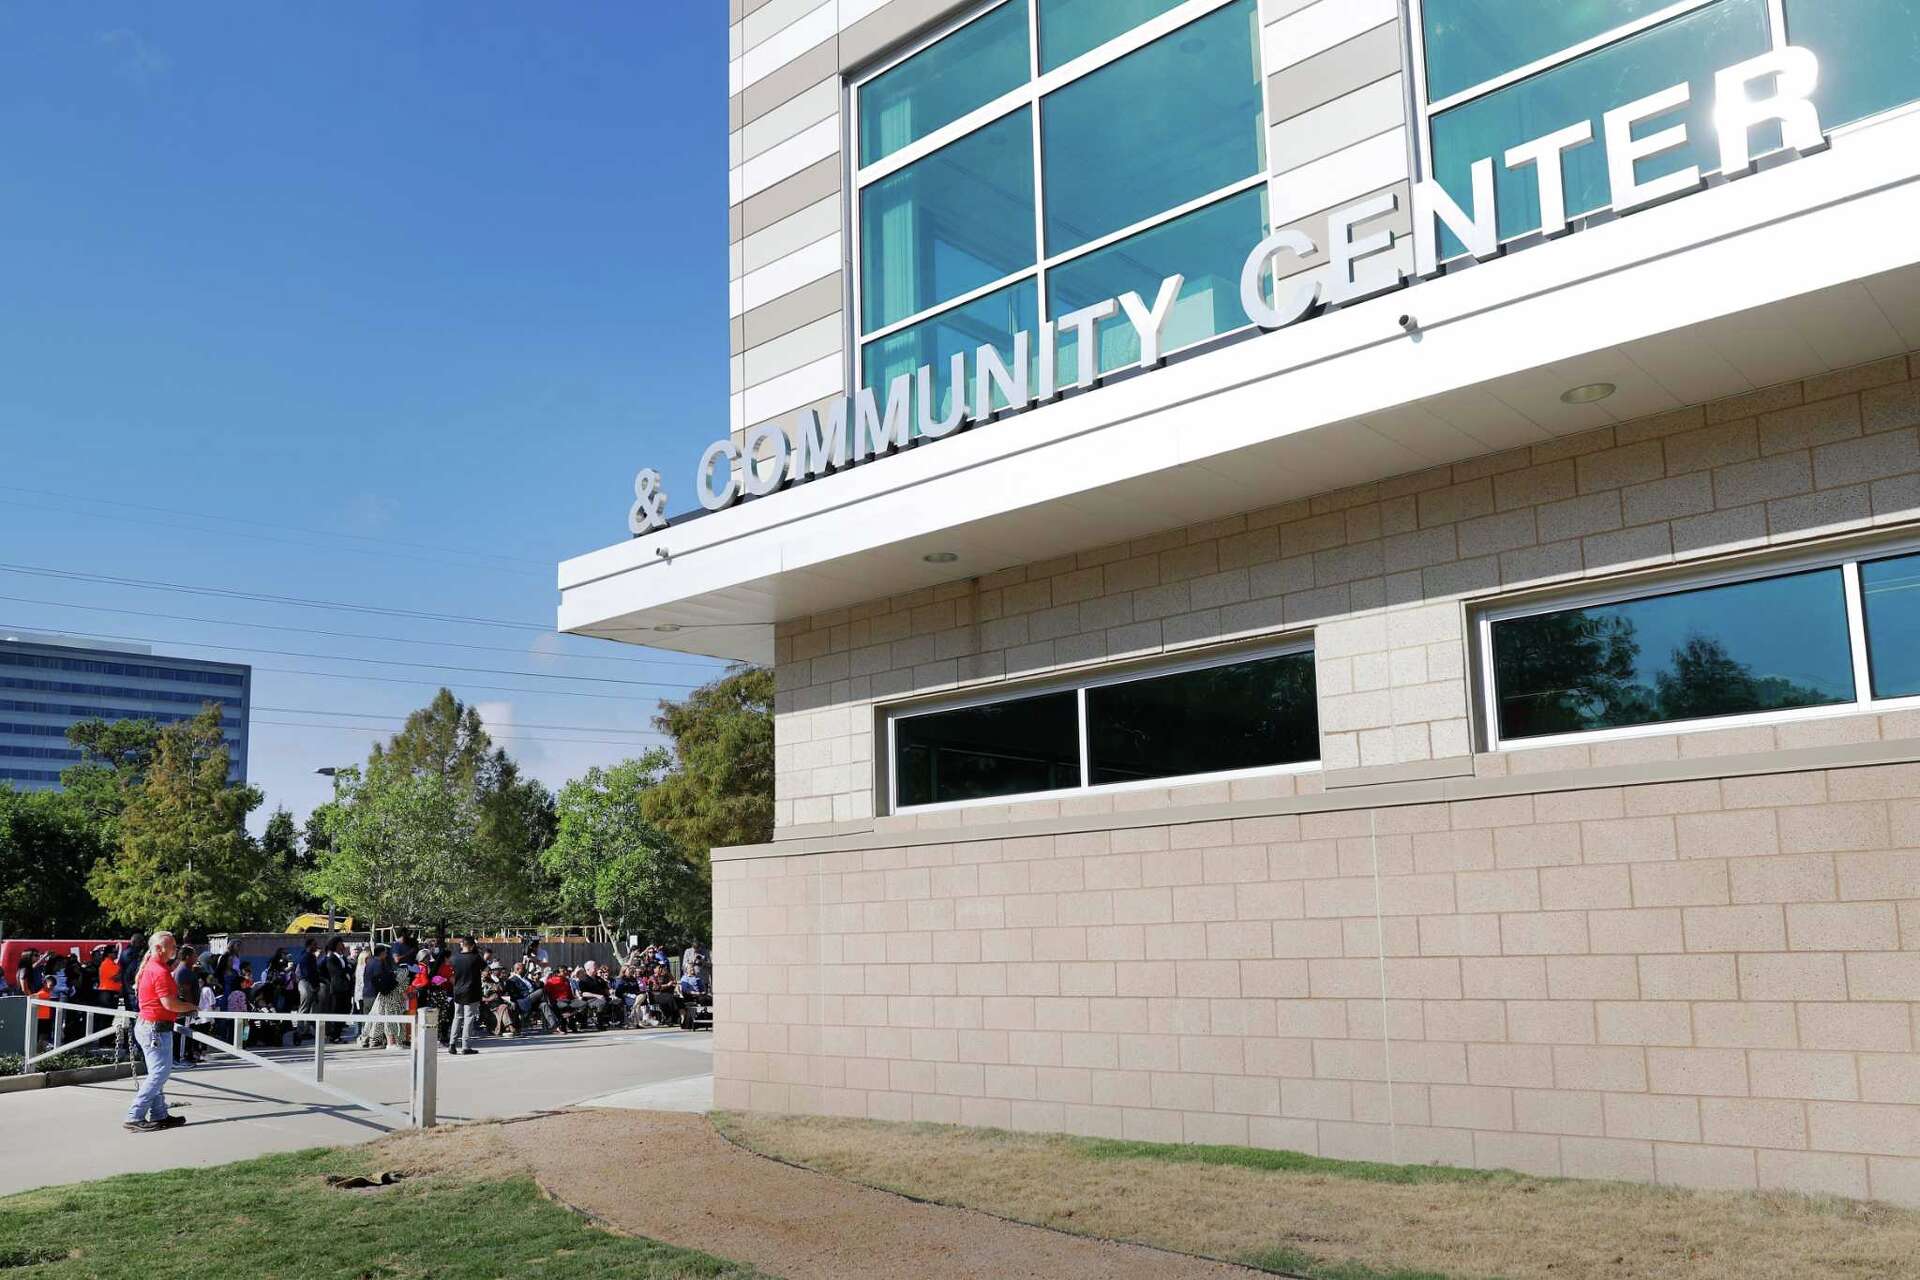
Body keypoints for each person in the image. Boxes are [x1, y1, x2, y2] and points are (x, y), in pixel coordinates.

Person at [126, 931, 197, 1132]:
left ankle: (159, 1115)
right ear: (159, 948)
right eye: (172, 946)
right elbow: (169, 1004)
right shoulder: (159, 971)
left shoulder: (153, 968)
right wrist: (192, 1007)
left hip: (151, 1027)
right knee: (159, 1073)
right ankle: (135, 1115)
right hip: (155, 1029)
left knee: (155, 1074)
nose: (176, 949)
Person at [364, 944, 407, 1051]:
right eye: (386, 952)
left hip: (367, 993)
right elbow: (382, 981)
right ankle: (375, 1041)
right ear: (382, 953)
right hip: (377, 995)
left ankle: (367, 1039)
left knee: (372, 1019)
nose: (387, 954)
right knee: (379, 1019)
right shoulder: (379, 964)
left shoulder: (370, 962)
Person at [448, 936, 484, 1055]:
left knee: (457, 1017)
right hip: (472, 991)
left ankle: (452, 1044)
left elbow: (450, 974)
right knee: (468, 1018)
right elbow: (486, 969)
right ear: (472, 945)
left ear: (462, 944)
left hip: (458, 991)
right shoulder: (475, 958)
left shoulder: (454, 958)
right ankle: (466, 1046)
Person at [505, 962, 562, 1034]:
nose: (526, 970)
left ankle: (554, 1027)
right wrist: (529, 995)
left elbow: (536, 986)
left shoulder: (527, 979)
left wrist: (538, 984)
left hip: (533, 1001)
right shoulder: (511, 981)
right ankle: (553, 1008)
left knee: (544, 1004)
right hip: (523, 1001)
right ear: (517, 969)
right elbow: (513, 995)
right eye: (524, 968)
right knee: (541, 991)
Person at [294, 937, 320, 1040]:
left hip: (308, 982)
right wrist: (314, 985)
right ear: (309, 945)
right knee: (304, 1007)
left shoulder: (308, 955)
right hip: (306, 982)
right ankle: (300, 1031)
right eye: (314, 944)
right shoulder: (306, 956)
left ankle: (305, 1030)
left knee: (308, 1007)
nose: (316, 946)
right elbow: (308, 973)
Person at [573, 961, 612, 1028]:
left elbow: (606, 989)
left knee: (617, 1001)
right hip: (590, 1000)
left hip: (603, 997)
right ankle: (600, 1022)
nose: (597, 968)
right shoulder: (583, 980)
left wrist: (611, 994)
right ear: (588, 969)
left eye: (596, 967)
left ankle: (617, 1021)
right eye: (595, 967)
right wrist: (597, 996)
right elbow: (584, 993)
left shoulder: (599, 979)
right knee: (602, 1003)